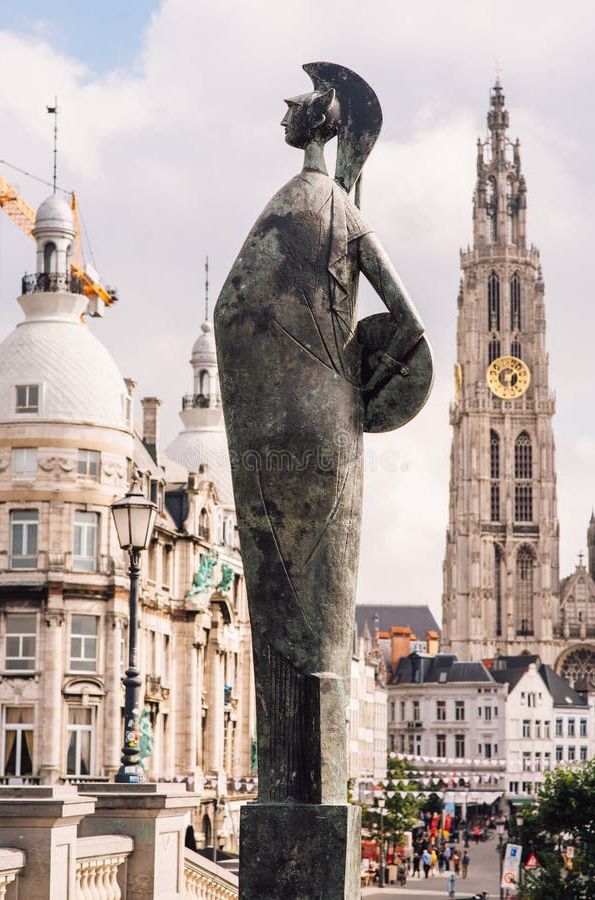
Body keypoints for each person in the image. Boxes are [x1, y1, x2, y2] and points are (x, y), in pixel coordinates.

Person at [215, 62, 427, 807]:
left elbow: (230, 311)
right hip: (333, 424)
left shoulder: (281, 209)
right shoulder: (342, 209)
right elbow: (409, 324)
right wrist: (363, 384)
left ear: (304, 126)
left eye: (285, 115)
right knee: (327, 621)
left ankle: (285, 786)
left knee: (280, 605)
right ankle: (320, 786)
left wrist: (274, 370)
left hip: (271, 425)